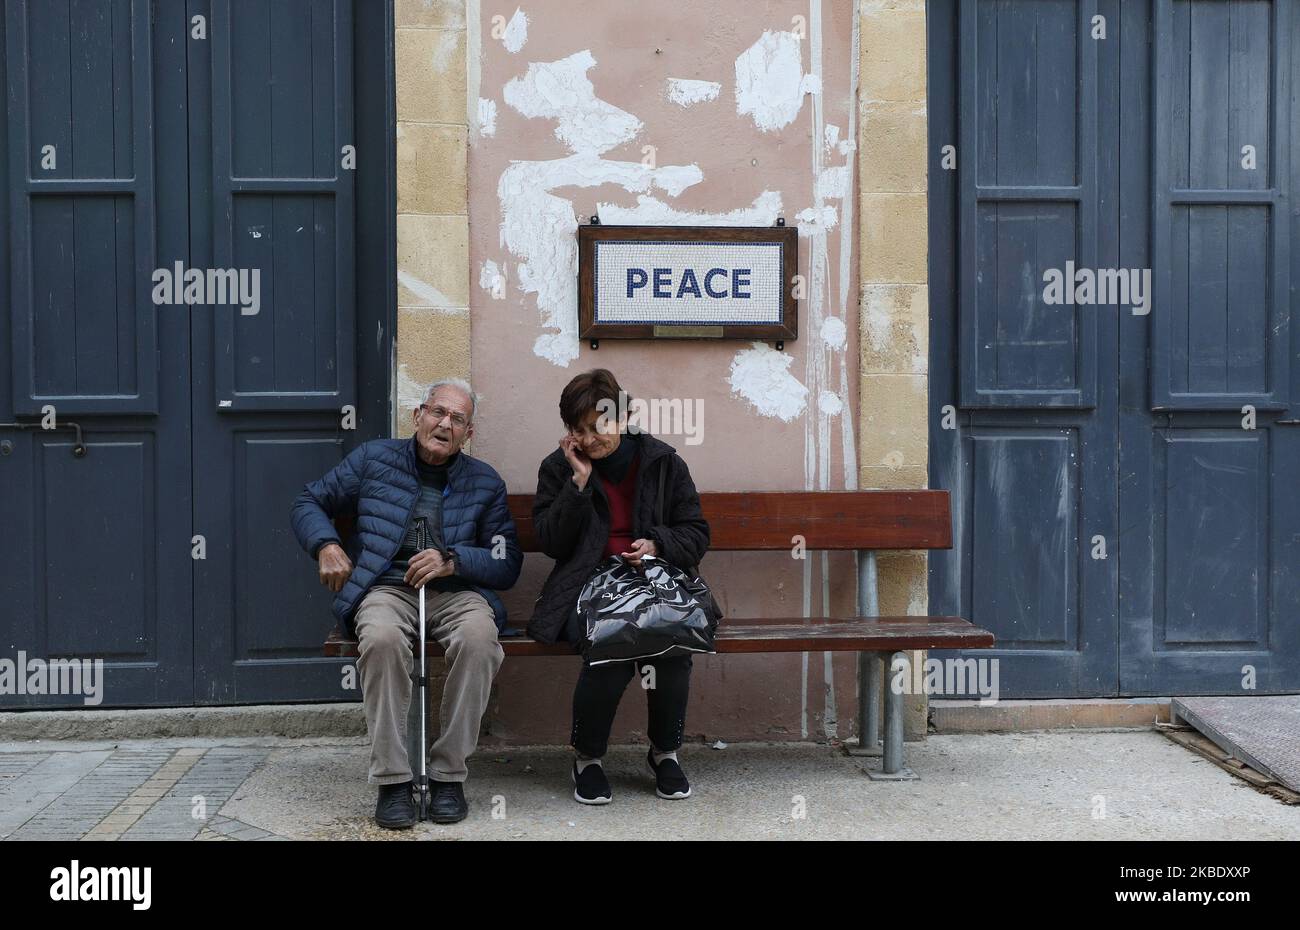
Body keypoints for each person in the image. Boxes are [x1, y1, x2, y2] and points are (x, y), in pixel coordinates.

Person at [290, 378, 522, 828]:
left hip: (454, 592)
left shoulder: (484, 481)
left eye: (457, 419)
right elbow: (309, 500)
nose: (444, 424)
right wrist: (326, 545)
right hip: (385, 586)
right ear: (418, 415)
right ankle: (394, 781)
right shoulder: (374, 459)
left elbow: (506, 561)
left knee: (479, 639)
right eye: (438, 412)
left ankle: (448, 776)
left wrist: (453, 560)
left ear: (468, 434)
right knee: (378, 638)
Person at [529, 369, 711, 804]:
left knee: (672, 647)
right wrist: (578, 483)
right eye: (579, 430)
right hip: (586, 587)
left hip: (653, 583)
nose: (592, 440)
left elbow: (696, 533)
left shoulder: (662, 461)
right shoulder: (558, 468)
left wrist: (657, 543)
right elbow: (551, 543)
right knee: (609, 645)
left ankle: (665, 753)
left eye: (600, 426)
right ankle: (588, 759)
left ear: (626, 416)